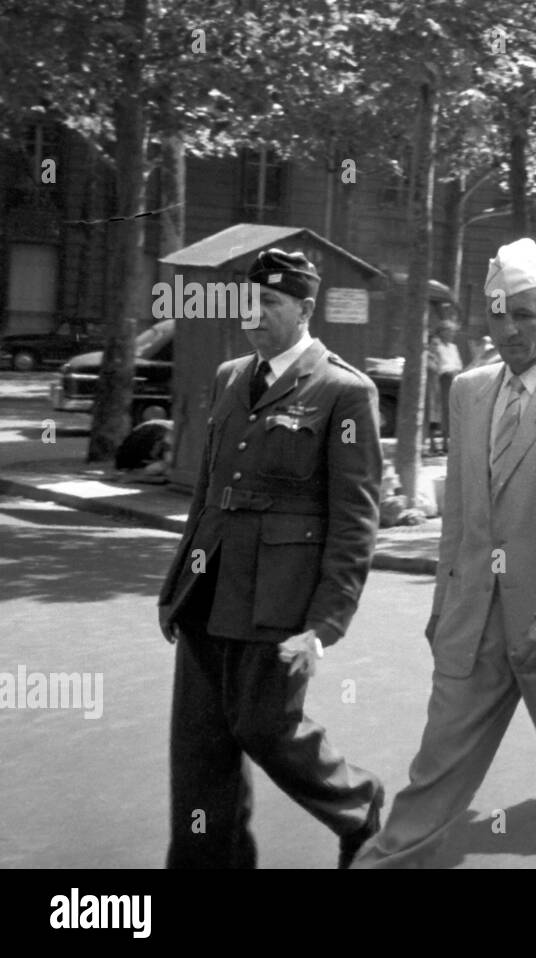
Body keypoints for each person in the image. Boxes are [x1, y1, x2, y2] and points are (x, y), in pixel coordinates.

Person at [351, 238, 536, 869]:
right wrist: (444, 607)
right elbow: (461, 521)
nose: (508, 329)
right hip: (473, 629)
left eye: (525, 315)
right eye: (498, 313)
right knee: (432, 782)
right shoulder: (469, 391)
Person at [157, 248, 385, 869]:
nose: (253, 314)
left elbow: (355, 518)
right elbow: (207, 489)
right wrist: (176, 583)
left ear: (306, 309)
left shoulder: (344, 391)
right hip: (208, 591)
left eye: (270, 302)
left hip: (278, 600)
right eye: (247, 301)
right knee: (201, 751)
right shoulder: (232, 376)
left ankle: (359, 805)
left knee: (266, 728)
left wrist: (327, 622)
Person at [425, 316, 464, 453]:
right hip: (439, 380)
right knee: (435, 410)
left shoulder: (453, 347)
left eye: (453, 332)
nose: (452, 334)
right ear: (441, 332)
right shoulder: (436, 345)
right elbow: (434, 363)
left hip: (453, 379)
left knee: (449, 411)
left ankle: (446, 442)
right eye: (449, 331)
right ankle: (432, 443)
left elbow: (458, 364)